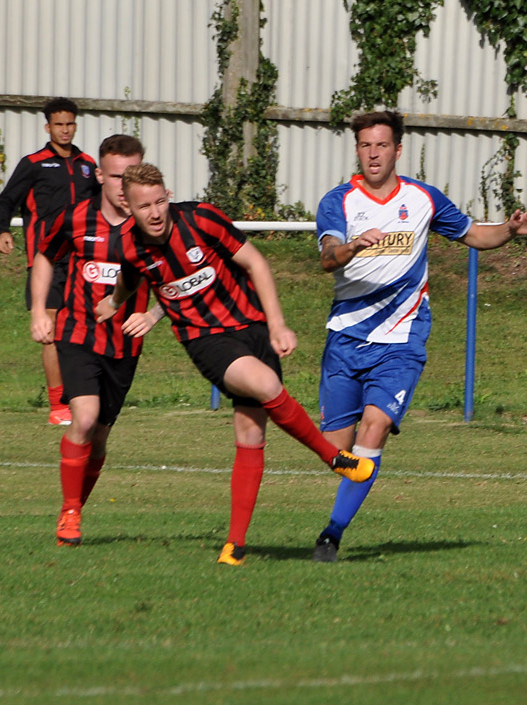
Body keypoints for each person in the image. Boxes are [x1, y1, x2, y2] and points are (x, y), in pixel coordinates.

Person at [98, 163, 375, 565]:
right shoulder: (127, 244)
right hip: (204, 339)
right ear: (128, 206)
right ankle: (333, 457)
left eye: (161, 201)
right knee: (263, 384)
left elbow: (256, 263)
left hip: (254, 328)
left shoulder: (202, 219)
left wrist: (277, 324)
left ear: (168, 194)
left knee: (250, 434)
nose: (156, 213)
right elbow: (132, 274)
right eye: (145, 207)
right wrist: (115, 301)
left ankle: (235, 545)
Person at [309, 109, 527, 563]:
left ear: (398, 149)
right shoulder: (338, 201)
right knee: (337, 452)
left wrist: (511, 231)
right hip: (345, 340)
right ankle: (339, 508)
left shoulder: (423, 200)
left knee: (374, 428)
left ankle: (331, 536)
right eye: (365, 145)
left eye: (382, 145)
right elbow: (327, 257)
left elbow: (475, 235)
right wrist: (352, 246)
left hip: (402, 340)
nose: (373, 154)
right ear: (357, 150)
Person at [30, 134, 165, 546]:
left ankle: (73, 509)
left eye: (135, 176)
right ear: (101, 175)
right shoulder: (74, 218)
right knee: (84, 418)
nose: (128, 187)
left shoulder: (154, 225)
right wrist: (39, 309)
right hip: (78, 334)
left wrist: (154, 314)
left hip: (124, 346)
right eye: (119, 177)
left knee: (101, 436)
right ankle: (70, 514)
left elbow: (182, 281)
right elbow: (43, 256)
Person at [0, 98, 99, 426]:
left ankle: (86, 394)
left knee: (84, 328)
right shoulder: (34, 163)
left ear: (75, 125)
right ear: (47, 127)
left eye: (70, 124)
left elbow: (101, 206)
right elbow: (5, 200)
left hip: (83, 261)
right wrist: (1, 231)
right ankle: (58, 405)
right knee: (49, 330)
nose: (65, 130)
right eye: (59, 124)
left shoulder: (87, 164)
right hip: (46, 262)